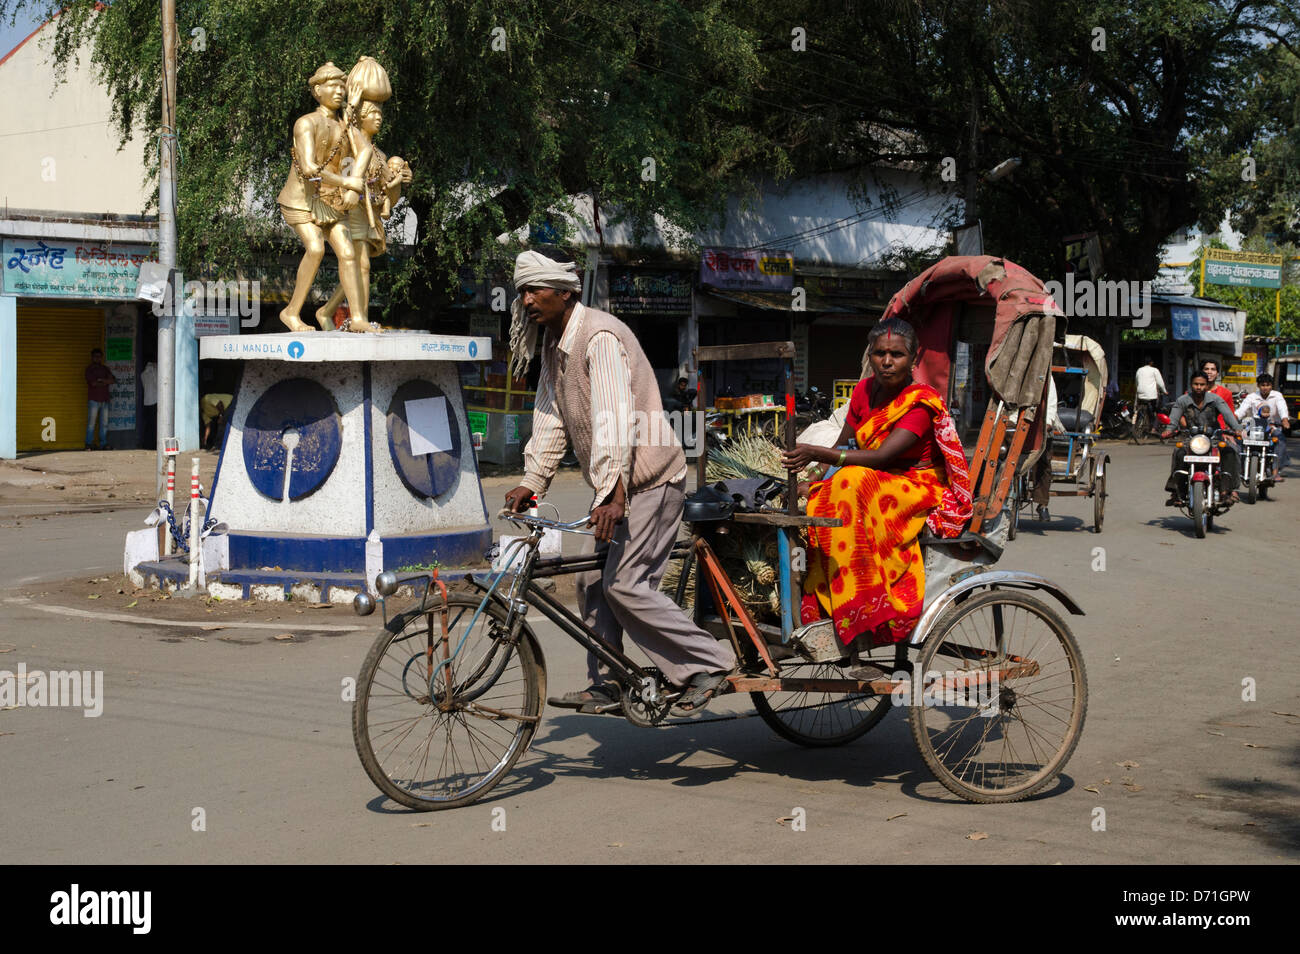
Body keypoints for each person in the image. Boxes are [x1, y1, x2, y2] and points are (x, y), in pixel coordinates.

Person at [502, 250, 735, 713]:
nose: (526, 299)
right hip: (616, 484)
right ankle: (608, 679)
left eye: (535, 290)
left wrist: (612, 492)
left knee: (626, 585)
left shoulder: (600, 336)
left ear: (565, 293)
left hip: (649, 480)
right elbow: (551, 418)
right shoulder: (553, 344)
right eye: (522, 291)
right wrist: (533, 479)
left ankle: (708, 661)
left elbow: (614, 419)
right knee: (591, 582)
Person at [781, 318, 973, 677]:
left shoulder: (919, 402)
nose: (887, 361)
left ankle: (864, 614)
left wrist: (816, 454)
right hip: (871, 480)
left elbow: (883, 456)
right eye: (880, 353)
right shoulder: (863, 392)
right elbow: (844, 446)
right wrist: (813, 479)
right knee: (822, 495)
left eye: (896, 355)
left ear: (912, 360)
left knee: (851, 483)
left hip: (917, 485)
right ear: (869, 356)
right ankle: (828, 607)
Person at [276, 62, 370, 333]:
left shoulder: (344, 125)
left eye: (342, 86)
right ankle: (291, 312)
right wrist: (347, 181)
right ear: (317, 90)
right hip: (301, 201)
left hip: (330, 202)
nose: (339, 91)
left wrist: (354, 186)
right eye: (333, 86)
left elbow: (364, 151)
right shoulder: (306, 123)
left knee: (348, 252)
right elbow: (308, 168)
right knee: (315, 249)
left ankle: (358, 318)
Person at [1162, 372, 1243, 503]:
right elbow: (1174, 418)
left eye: (1202, 384)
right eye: (1196, 384)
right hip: (1192, 439)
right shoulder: (1182, 400)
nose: (1199, 387)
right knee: (1179, 452)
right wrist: (1169, 430)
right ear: (1191, 385)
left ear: (1207, 386)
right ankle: (1177, 491)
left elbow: (1228, 414)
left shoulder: (1215, 399)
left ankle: (1227, 490)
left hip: (1214, 438)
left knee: (1231, 450)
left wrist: (1237, 428)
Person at [1237, 373, 1290, 479]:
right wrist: (1233, 420)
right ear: (1258, 385)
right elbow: (1241, 411)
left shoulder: (1277, 395)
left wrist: (1284, 420)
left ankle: (1276, 471)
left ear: (1271, 386)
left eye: (1268, 385)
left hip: (1271, 427)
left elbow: (1282, 408)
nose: (1265, 388)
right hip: (1254, 428)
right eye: (1263, 385)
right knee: (1239, 440)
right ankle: (1240, 468)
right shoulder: (1252, 397)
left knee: (1280, 439)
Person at [84, 348, 115, 450]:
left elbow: (112, 380)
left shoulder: (105, 369)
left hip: (104, 400)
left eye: (99, 357)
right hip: (94, 399)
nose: (97, 358)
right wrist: (105, 381)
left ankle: (103, 443)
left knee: (104, 424)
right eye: (95, 356)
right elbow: (93, 383)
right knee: (91, 423)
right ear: (92, 357)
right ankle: (88, 444)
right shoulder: (89, 369)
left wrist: (101, 381)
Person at [1134, 357, 1167, 435]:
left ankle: (1144, 421)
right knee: (1158, 411)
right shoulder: (1154, 370)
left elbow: (1136, 381)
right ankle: (1154, 428)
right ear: (1151, 363)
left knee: (1147, 408)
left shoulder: (1139, 370)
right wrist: (1164, 391)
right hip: (1151, 395)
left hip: (1140, 394)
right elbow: (1160, 383)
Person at [140, 360, 157, 450]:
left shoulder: (143, 374)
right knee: (154, 425)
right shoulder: (154, 372)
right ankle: (153, 444)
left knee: (148, 425)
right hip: (155, 401)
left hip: (146, 402)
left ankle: (146, 444)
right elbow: (158, 384)